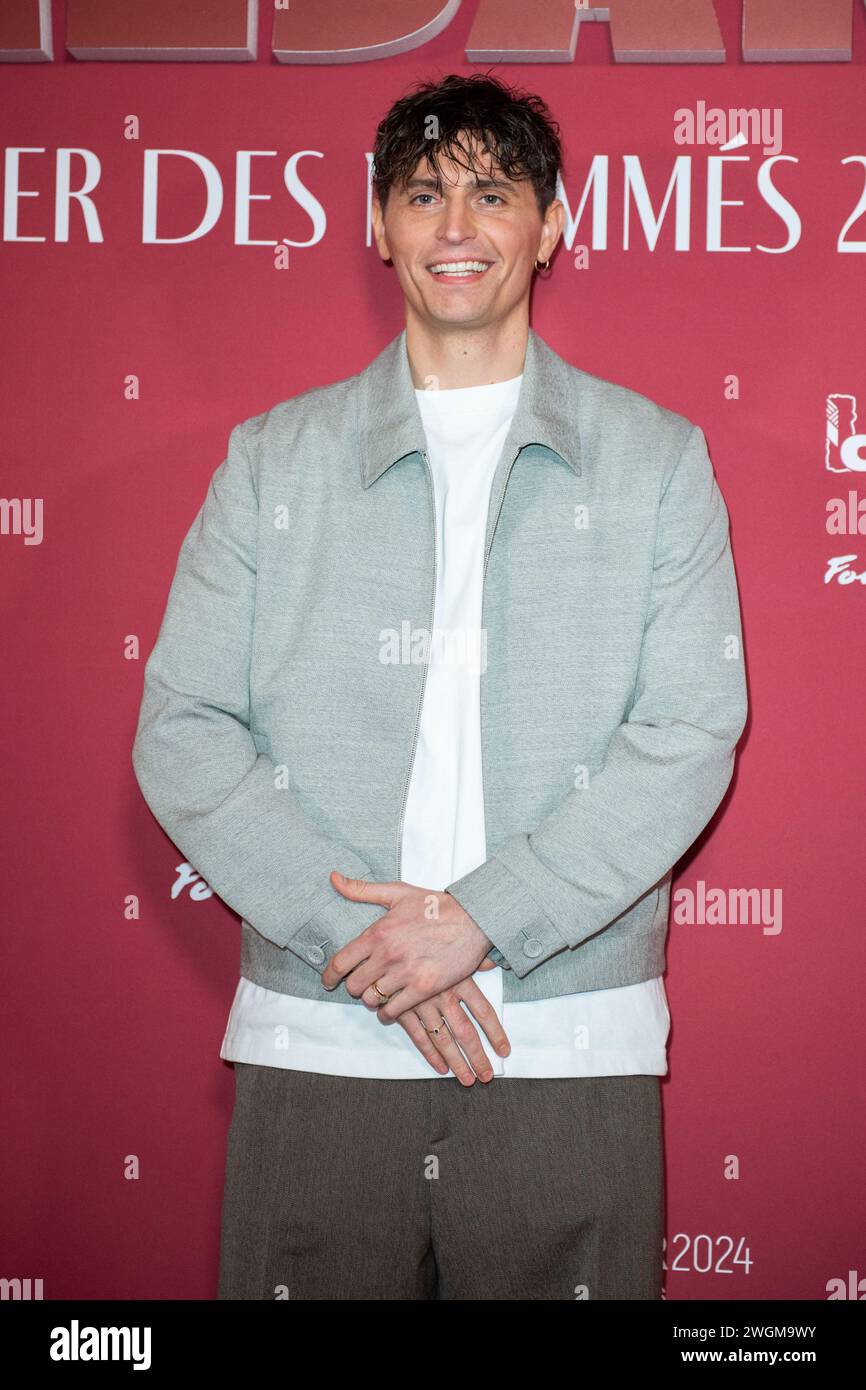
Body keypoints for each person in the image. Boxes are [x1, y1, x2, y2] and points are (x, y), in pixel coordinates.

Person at [131, 72, 748, 1300]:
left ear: (552, 223)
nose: (455, 226)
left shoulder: (658, 461)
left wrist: (479, 917)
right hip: (317, 1037)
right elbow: (182, 728)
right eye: (421, 193)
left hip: (567, 1043)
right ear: (376, 224)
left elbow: (687, 730)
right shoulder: (270, 461)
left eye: (491, 192)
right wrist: (363, 942)